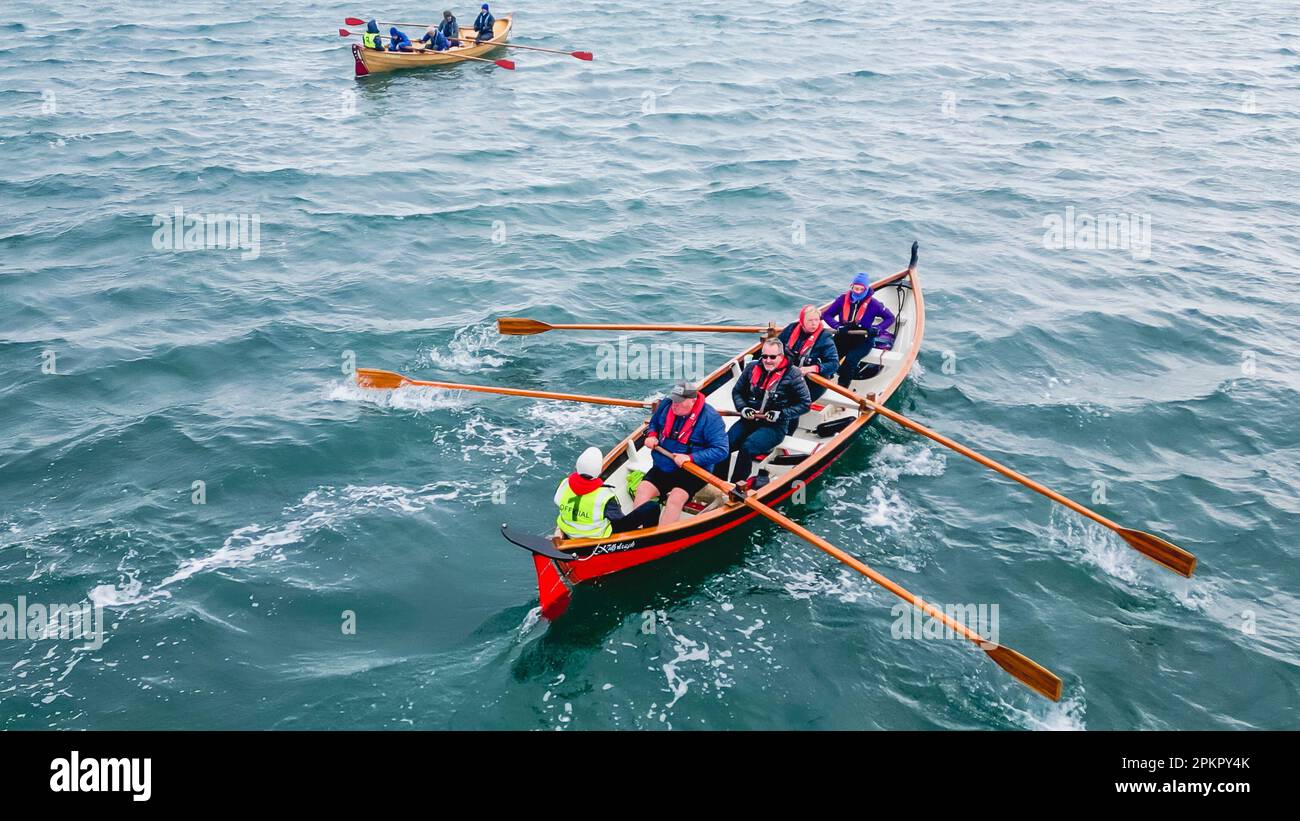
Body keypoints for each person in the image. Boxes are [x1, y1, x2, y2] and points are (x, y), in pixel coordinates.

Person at [634, 382, 729, 527]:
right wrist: (652, 435)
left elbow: (721, 450)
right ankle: (635, 532)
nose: (674, 405)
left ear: (693, 400)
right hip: (664, 464)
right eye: (673, 399)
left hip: (693, 471)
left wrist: (691, 458)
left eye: (679, 401)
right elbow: (653, 424)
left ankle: (662, 537)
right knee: (642, 490)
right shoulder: (666, 405)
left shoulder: (711, 418)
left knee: (675, 498)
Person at [719, 339, 811, 484]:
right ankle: (718, 481)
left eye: (772, 357)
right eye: (764, 356)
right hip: (749, 419)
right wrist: (743, 408)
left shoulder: (793, 375)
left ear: (781, 356)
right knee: (725, 443)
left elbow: (805, 404)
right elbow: (737, 391)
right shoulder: (751, 367)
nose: (768, 360)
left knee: (747, 447)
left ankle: (736, 485)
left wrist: (782, 414)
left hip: (775, 426)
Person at [555, 447, 660, 538]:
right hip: (597, 537)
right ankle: (650, 538)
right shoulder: (604, 495)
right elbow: (618, 519)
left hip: (570, 534)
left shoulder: (564, 484)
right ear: (598, 470)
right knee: (652, 507)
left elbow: (558, 501)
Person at [821, 273, 895, 386]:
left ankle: (842, 389)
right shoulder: (842, 299)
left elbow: (890, 318)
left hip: (863, 340)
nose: (858, 292)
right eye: (856, 288)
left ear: (866, 289)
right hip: (843, 336)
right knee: (830, 358)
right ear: (851, 287)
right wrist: (837, 326)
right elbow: (827, 315)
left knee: (849, 362)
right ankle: (822, 383)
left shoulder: (874, 304)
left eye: (862, 289)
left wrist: (878, 328)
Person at [776, 304, 838, 402]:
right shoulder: (792, 328)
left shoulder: (825, 337)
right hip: (788, 375)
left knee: (793, 403)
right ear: (802, 321)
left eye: (817, 320)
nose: (814, 324)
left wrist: (811, 368)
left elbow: (834, 365)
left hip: (813, 381)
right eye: (810, 320)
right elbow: (776, 346)